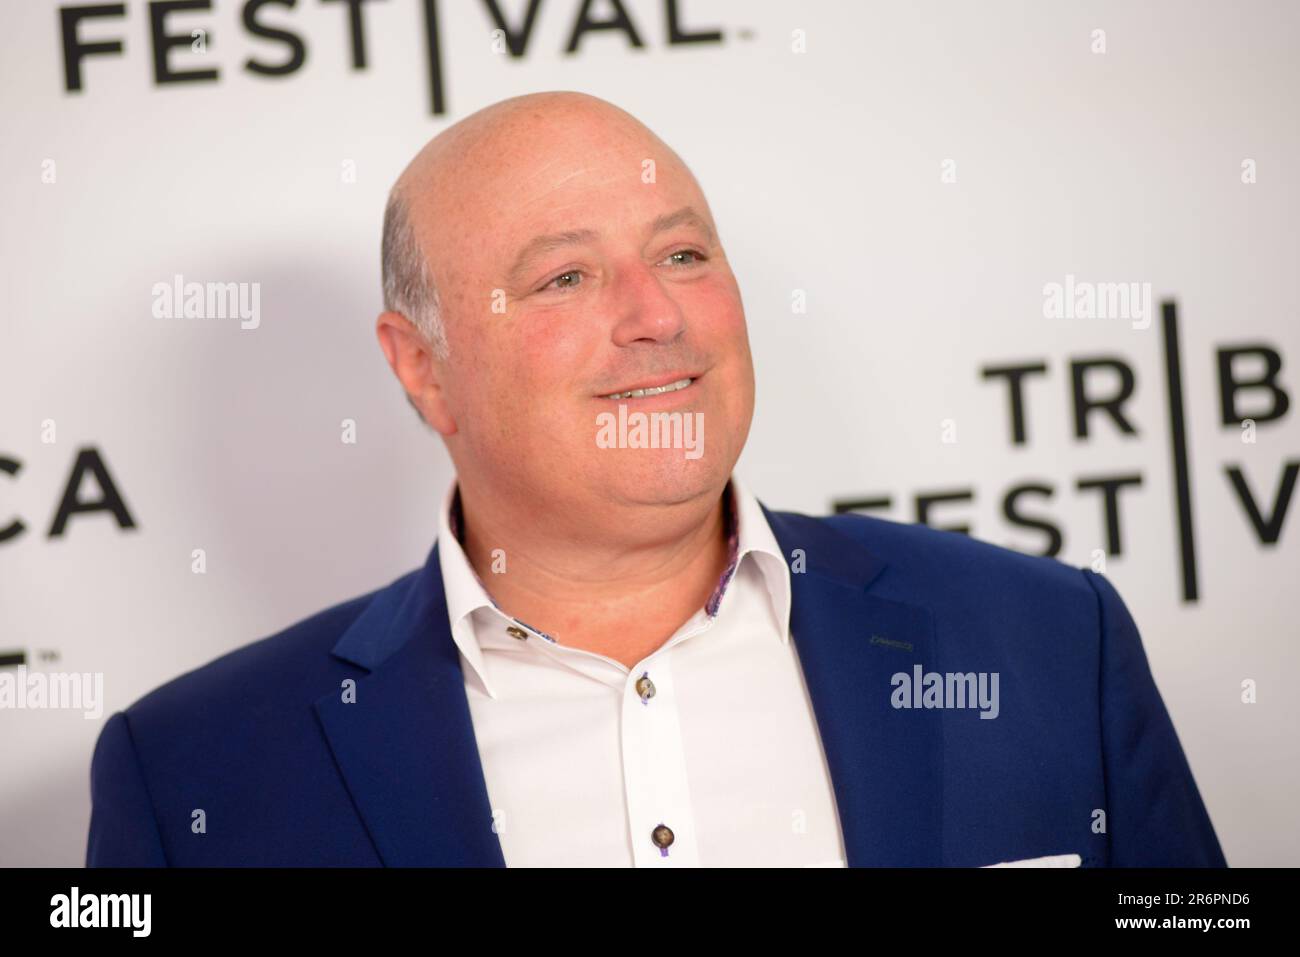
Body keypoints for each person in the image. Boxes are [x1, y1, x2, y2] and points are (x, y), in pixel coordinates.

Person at [86, 91, 1226, 867]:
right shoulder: (195, 774)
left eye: (682, 255)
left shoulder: (1044, 641)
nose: (656, 316)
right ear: (423, 368)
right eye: (566, 277)